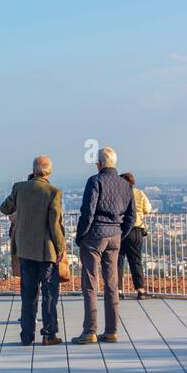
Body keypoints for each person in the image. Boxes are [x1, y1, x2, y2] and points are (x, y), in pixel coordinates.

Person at [72, 147, 136, 344]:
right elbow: (132, 215)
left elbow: (88, 212)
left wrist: (80, 235)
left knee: (90, 284)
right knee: (112, 284)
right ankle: (111, 330)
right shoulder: (125, 184)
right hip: (115, 236)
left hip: (94, 236)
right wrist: (120, 232)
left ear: (98, 163)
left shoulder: (95, 181)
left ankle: (90, 330)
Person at [1, 156, 65, 346]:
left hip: (25, 250)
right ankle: (49, 334)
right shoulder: (53, 192)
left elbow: (5, 208)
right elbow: (55, 225)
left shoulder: (19, 187)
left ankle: (27, 335)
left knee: (28, 295)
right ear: (49, 172)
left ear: (34, 170)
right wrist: (60, 247)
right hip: (46, 252)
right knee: (49, 294)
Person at [119, 172, 152, 299]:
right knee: (136, 261)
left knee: (118, 261)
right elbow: (148, 209)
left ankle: (118, 291)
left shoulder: (117, 195)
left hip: (120, 230)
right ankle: (140, 290)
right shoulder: (139, 193)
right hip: (135, 230)